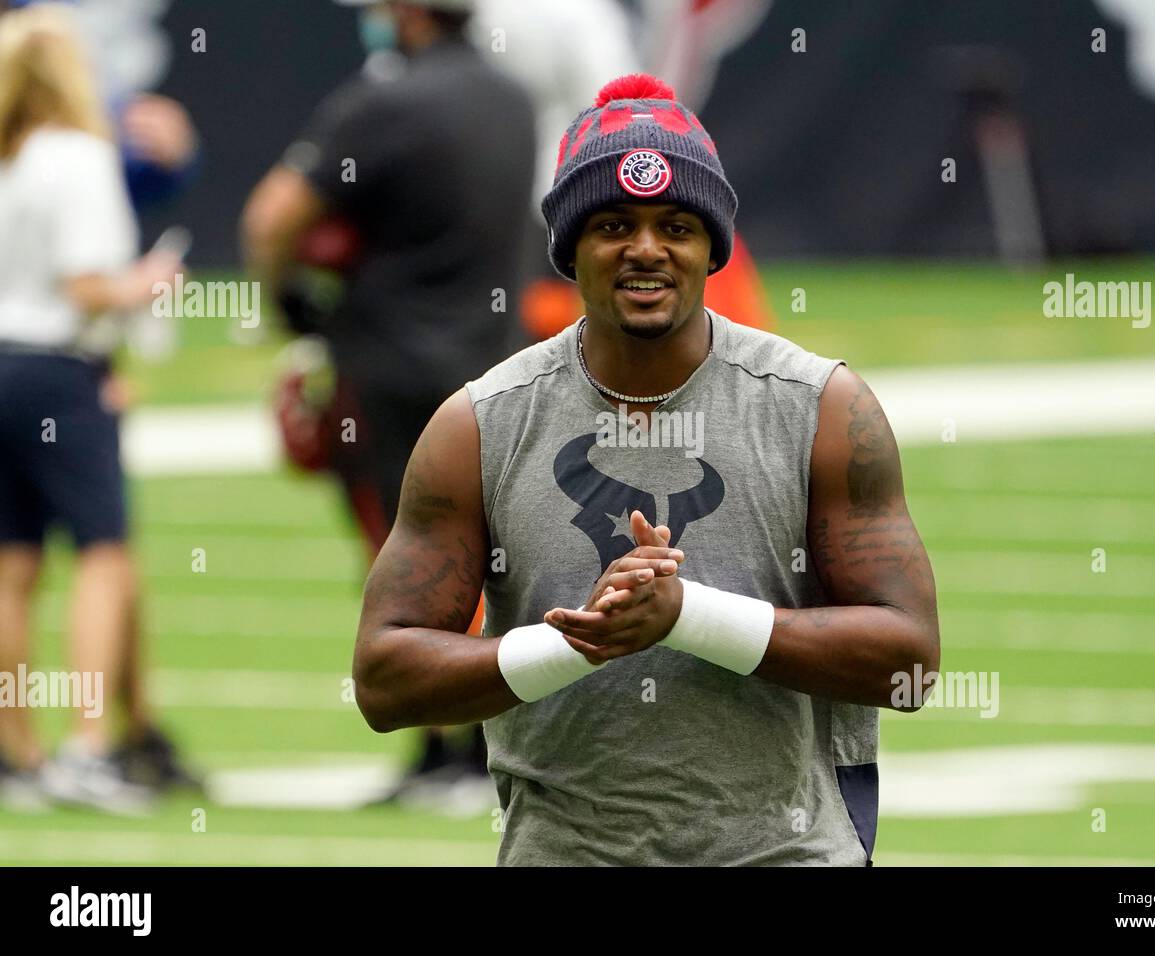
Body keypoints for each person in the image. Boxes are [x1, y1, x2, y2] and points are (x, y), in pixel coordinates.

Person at [353, 73, 941, 864]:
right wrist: (575, 645)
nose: (646, 248)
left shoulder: (821, 407)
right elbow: (384, 682)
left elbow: (910, 661)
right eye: (612, 223)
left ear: (711, 246)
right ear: (569, 247)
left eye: (676, 224)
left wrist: (687, 617)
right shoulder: (480, 424)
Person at [241, 0, 535, 809]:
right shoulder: (514, 96)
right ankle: (474, 743)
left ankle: (449, 750)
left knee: (406, 561)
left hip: (391, 366)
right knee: (490, 556)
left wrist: (289, 306)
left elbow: (272, 218)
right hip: (493, 364)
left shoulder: (384, 101)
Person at [0, 3, 179, 811]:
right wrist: (148, 285)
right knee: (104, 554)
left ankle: (17, 753)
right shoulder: (74, 154)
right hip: (57, 370)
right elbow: (87, 283)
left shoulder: (8, 156)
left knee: (11, 566)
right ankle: (90, 744)